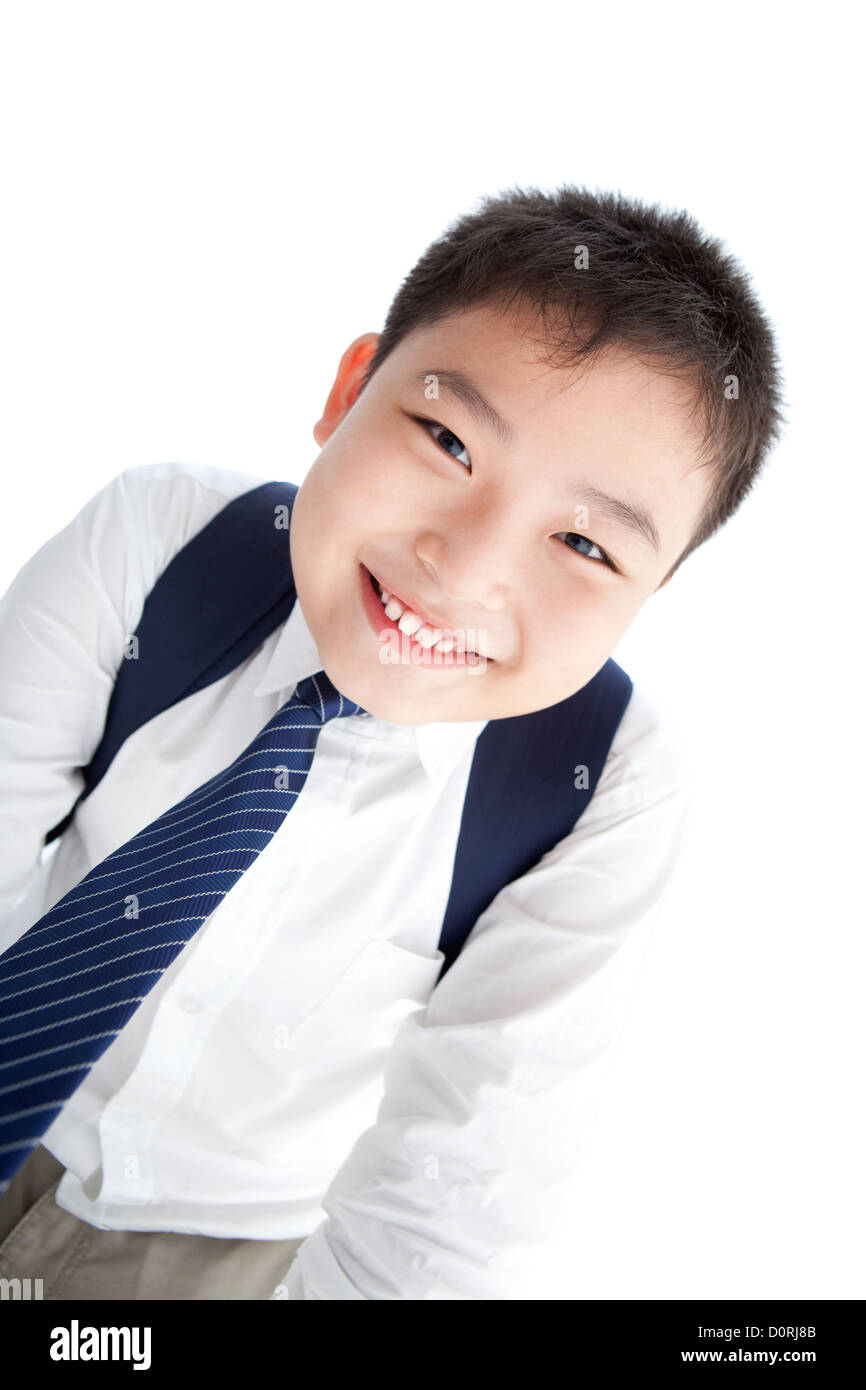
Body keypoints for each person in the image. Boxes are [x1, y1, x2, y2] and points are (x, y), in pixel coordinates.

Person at [0, 185, 784, 1300]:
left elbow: (457, 1196)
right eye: (448, 439)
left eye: (581, 542)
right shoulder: (157, 544)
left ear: (650, 593)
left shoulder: (603, 785)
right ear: (347, 388)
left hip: (224, 1254)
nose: (462, 568)